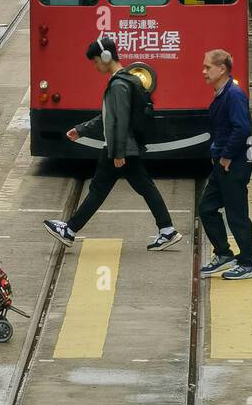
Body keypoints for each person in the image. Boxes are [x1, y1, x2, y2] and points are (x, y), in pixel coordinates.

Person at [43, 37, 181, 252]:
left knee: (99, 189)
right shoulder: (124, 81)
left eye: (96, 61)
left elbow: (120, 121)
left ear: (105, 57)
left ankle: (69, 230)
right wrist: (81, 130)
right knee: (143, 186)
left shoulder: (118, 85)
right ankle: (167, 230)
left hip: (119, 147)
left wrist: (118, 152)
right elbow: (109, 117)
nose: (96, 66)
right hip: (125, 146)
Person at [198, 50, 252, 280]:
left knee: (236, 214)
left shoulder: (232, 94)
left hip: (233, 164)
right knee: (206, 208)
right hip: (222, 162)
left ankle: (248, 263)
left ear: (221, 69)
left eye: (207, 67)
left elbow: (242, 128)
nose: (203, 72)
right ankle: (224, 254)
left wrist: (227, 155)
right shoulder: (222, 92)